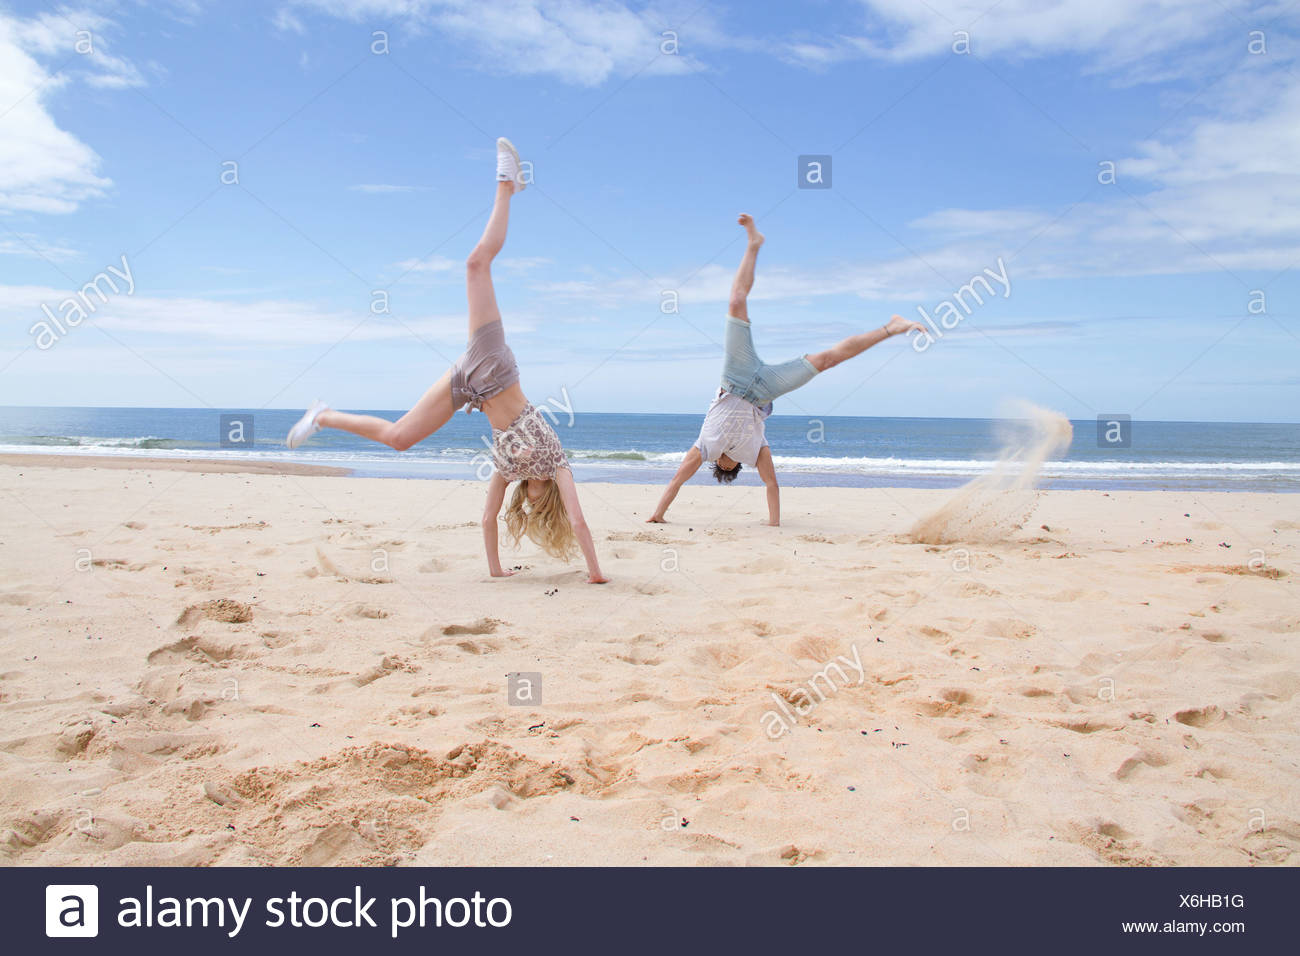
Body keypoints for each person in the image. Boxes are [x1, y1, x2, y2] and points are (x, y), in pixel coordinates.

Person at [285, 138, 607, 583]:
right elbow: (580, 523)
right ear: (548, 497)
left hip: (467, 386)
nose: (530, 504)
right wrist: (596, 574)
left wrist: (496, 571)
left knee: (399, 438)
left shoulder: (508, 470)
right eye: (537, 505)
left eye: (529, 507)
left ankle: (324, 415)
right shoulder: (557, 466)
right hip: (492, 366)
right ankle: (507, 184)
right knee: (476, 265)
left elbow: (488, 518)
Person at [647, 214, 924, 527]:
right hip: (764, 389)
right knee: (826, 361)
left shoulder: (705, 448)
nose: (725, 461)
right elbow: (771, 484)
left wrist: (658, 514)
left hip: (735, 378)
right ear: (735, 466)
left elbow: (676, 480)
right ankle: (893, 327)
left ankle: (753, 244)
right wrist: (774, 524)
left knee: (736, 300)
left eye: (722, 466)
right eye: (729, 466)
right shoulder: (754, 453)